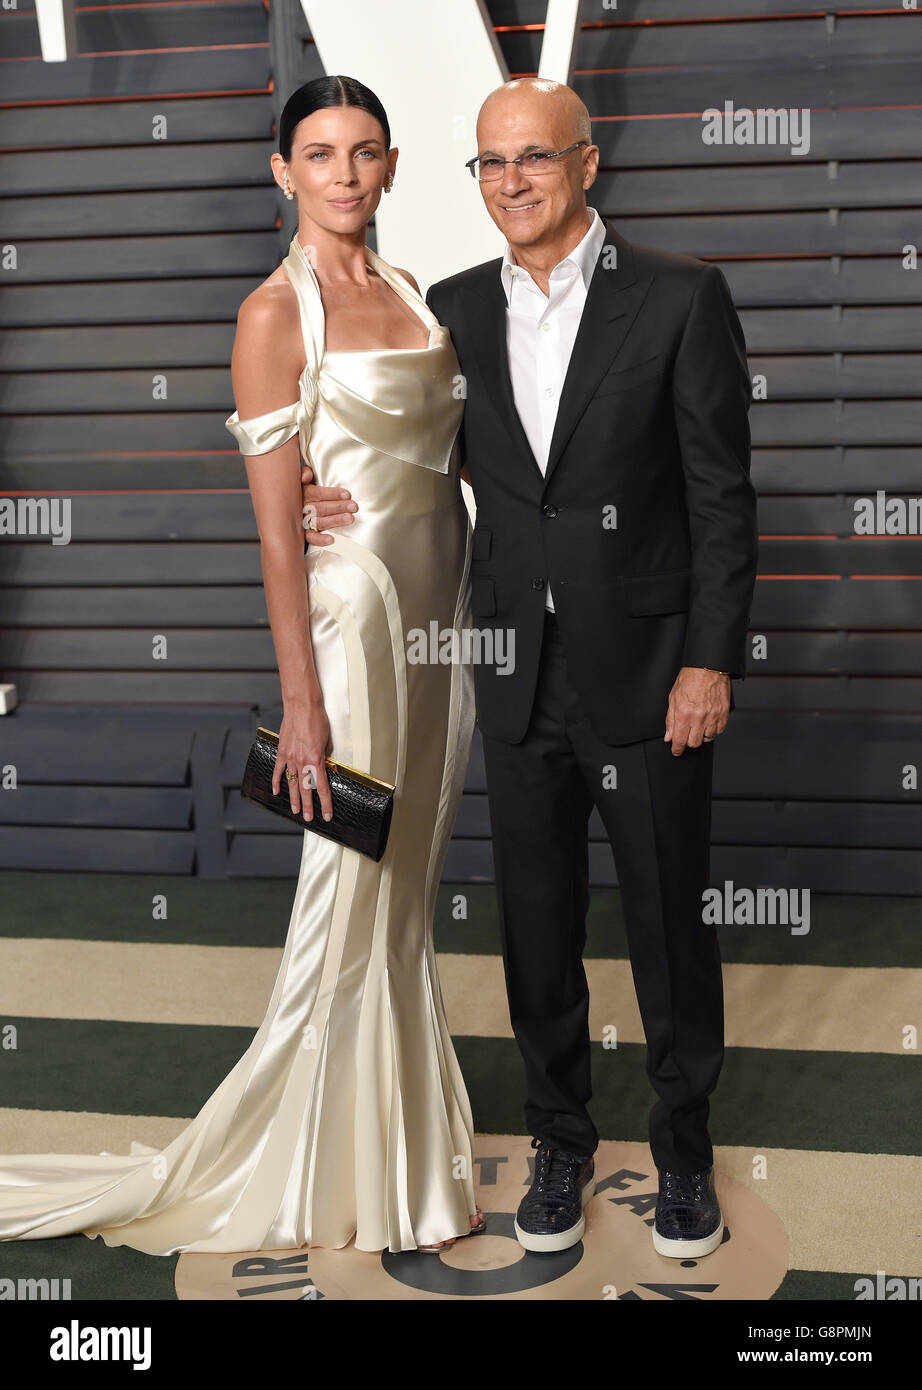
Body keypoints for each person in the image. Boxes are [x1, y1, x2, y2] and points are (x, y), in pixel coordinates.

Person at [0, 76, 484, 1257]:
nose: (344, 175)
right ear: (283, 171)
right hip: (357, 626)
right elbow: (277, 534)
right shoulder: (275, 315)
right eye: (318, 154)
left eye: (364, 152)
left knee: (405, 895)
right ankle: (313, 1160)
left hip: (446, 622)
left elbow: (448, 456)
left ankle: (403, 1156)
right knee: (347, 892)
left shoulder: (414, 292)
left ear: (391, 163)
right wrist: (302, 714)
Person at [301, 77, 759, 1258]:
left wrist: (709, 661)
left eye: (534, 160)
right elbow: (403, 452)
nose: (511, 182)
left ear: (586, 163)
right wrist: (317, 496)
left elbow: (721, 500)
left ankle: (683, 1153)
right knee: (535, 926)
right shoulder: (450, 308)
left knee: (667, 922)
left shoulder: (678, 297)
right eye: (490, 164)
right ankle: (559, 1140)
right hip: (509, 669)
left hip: (653, 671)